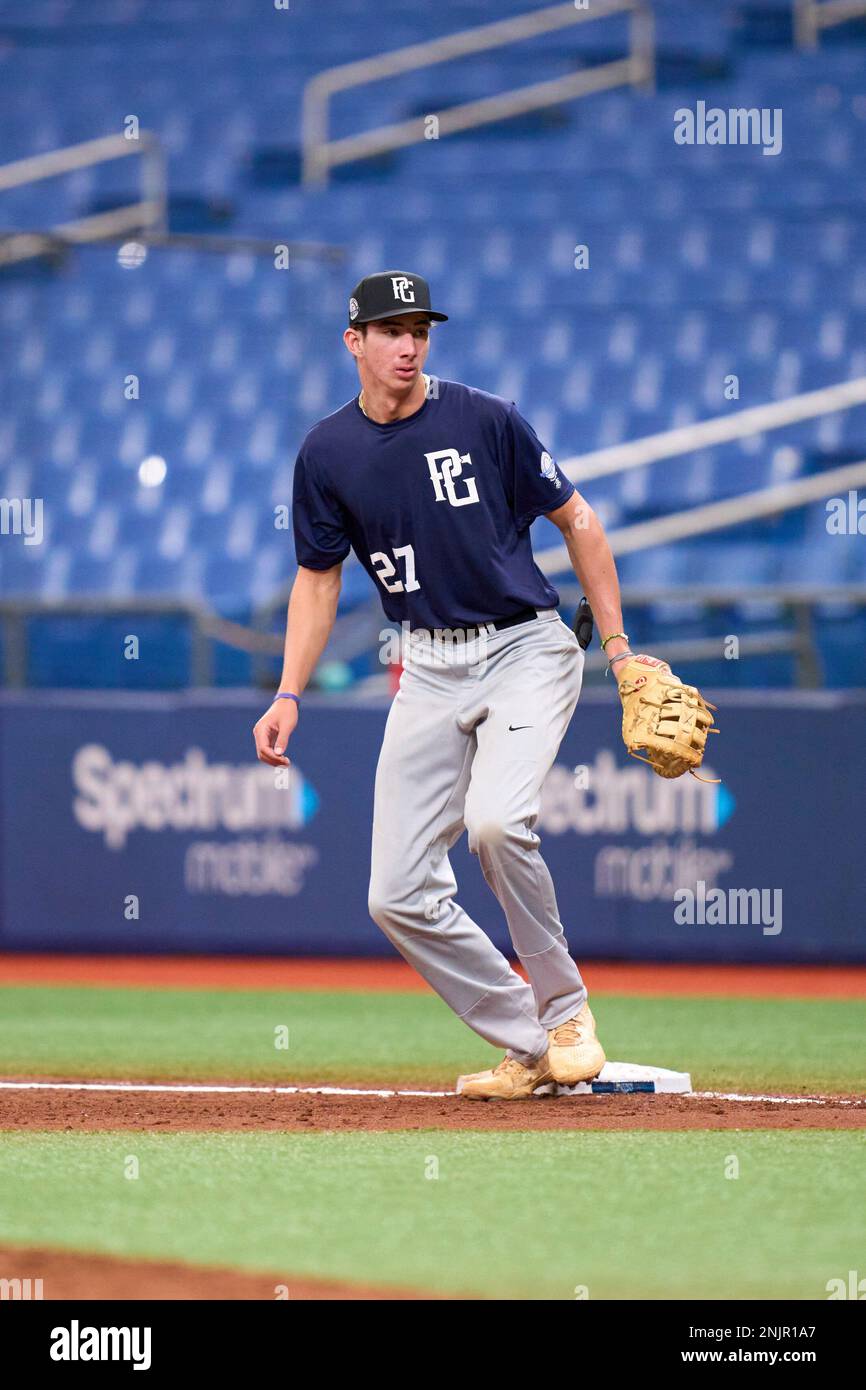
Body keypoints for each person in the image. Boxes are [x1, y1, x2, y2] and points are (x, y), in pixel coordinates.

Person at [254, 270, 635, 1100]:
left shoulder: (484, 417)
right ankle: (529, 1042)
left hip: (525, 647)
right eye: (390, 329)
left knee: (497, 825)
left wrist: (620, 646)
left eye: (420, 328)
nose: (409, 343)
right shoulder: (327, 453)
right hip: (425, 664)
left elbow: (578, 520)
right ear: (353, 342)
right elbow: (317, 580)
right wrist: (288, 691)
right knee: (394, 894)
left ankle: (568, 1014)